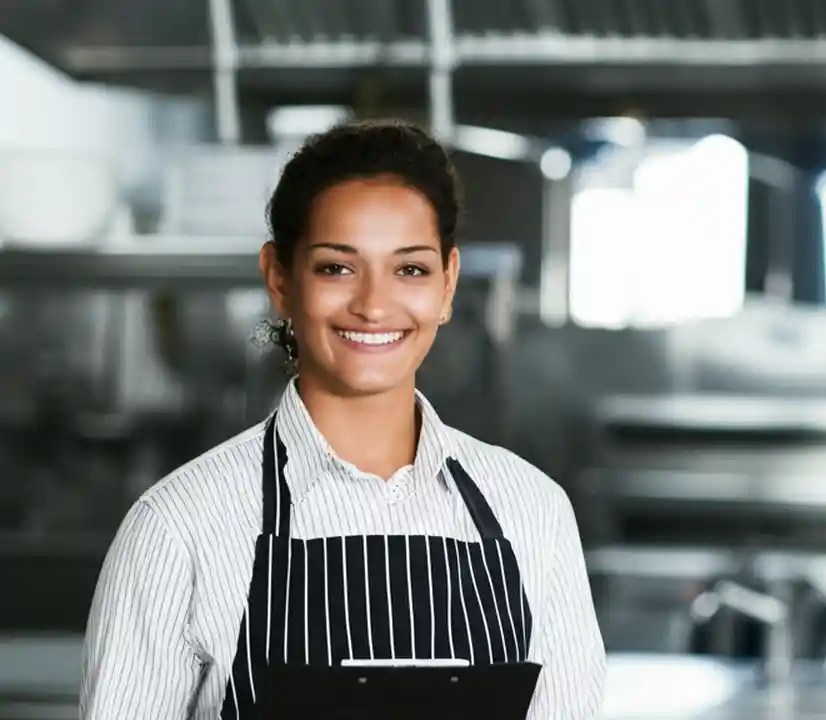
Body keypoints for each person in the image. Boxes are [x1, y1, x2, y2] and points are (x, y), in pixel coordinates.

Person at [80, 119, 606, 718]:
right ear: (280, 278)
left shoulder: (531, 511)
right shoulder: (179, 528)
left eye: (409, 269)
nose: (375, 304)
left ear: (448, 283)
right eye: (337, 267)